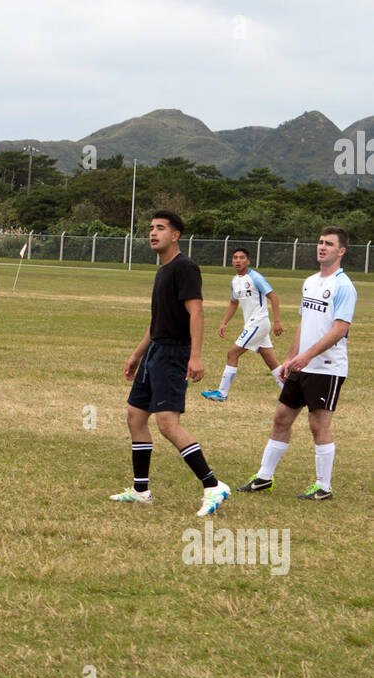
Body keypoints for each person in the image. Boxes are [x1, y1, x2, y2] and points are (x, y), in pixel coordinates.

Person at [111, 210, 230, 516]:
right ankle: (140, 490)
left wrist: (196, 355)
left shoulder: (185, 268)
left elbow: (197, 312)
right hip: (155, 352)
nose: (153, 233)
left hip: (175, 353)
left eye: (160, 228)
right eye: (151, 228)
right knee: (136, 416)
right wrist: (137, 355)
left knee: (167, 424)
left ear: (175, 235)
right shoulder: (162, 270)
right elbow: (157, 323)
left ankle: (213, 484)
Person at [238, 227, 357, 500]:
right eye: (319, 242)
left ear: (341, 251)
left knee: (318, 426)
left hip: (326, 367)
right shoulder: (310, 281)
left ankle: (323, 487)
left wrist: (308, 356)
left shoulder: (343, 286)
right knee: (281, 418)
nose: (322, 247)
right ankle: (264, 478)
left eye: (328, 244)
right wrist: (291, 358)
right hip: (302, 365)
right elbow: (305, 323)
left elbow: (339, 329)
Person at [201, 247, 284, 401]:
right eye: (235, 258)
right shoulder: (234, 281)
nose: (238, 260)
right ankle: (290, 395)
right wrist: (223, 322)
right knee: (272, 362)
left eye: (241, 258)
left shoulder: (256, 278)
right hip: (252, 324)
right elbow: (233, 303)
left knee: (232, 353)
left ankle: (222, 393)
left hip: (258, 323)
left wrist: (277, 321)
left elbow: (273, 297)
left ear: (248, 261)